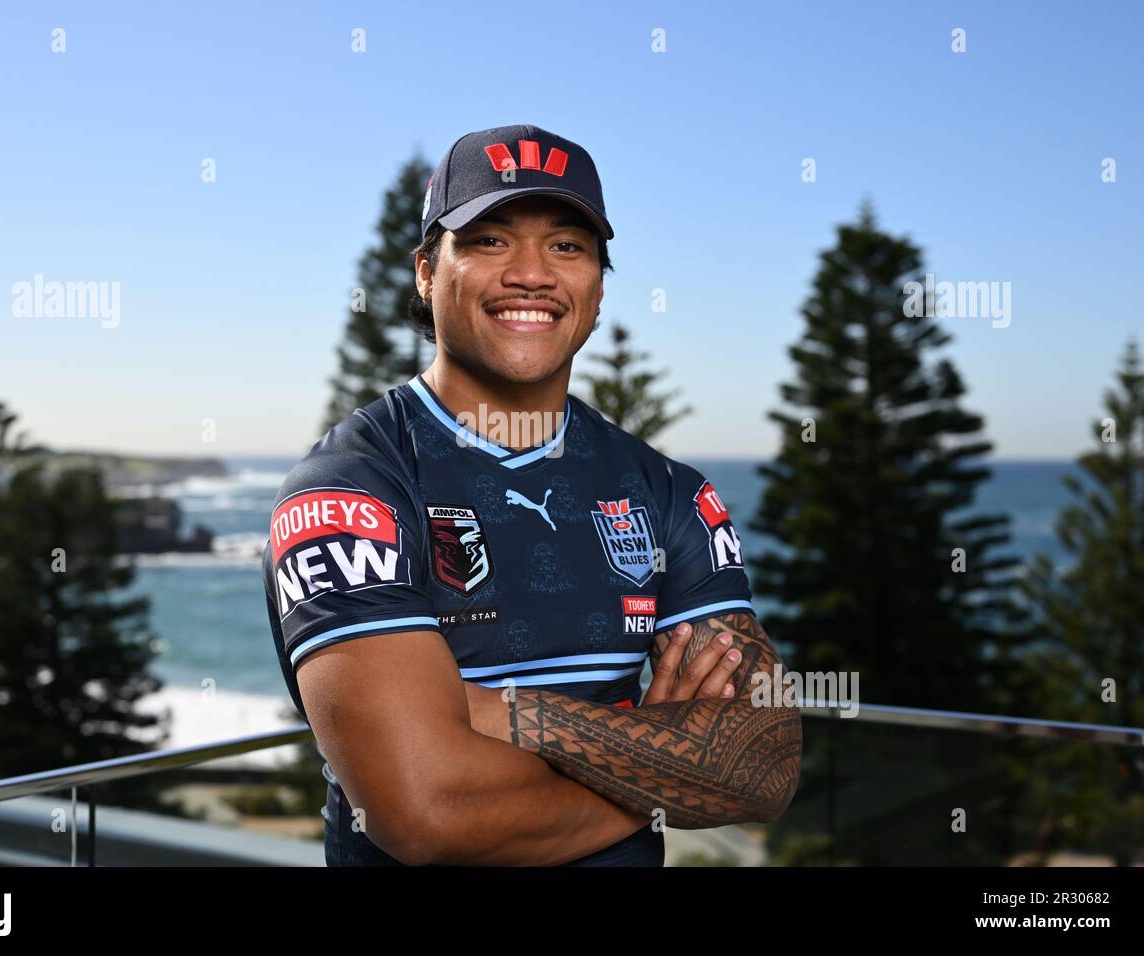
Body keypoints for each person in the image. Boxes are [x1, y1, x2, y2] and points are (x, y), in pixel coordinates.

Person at [261, 124, 802, 866]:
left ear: (599, 287)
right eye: (488, 241)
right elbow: (425, 814)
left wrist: (503, 713)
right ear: (426, 271)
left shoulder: (667, 491)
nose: (531, 274)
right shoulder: (350, 490)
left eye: (567, 246)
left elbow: (763, 764)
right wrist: (665, 751)